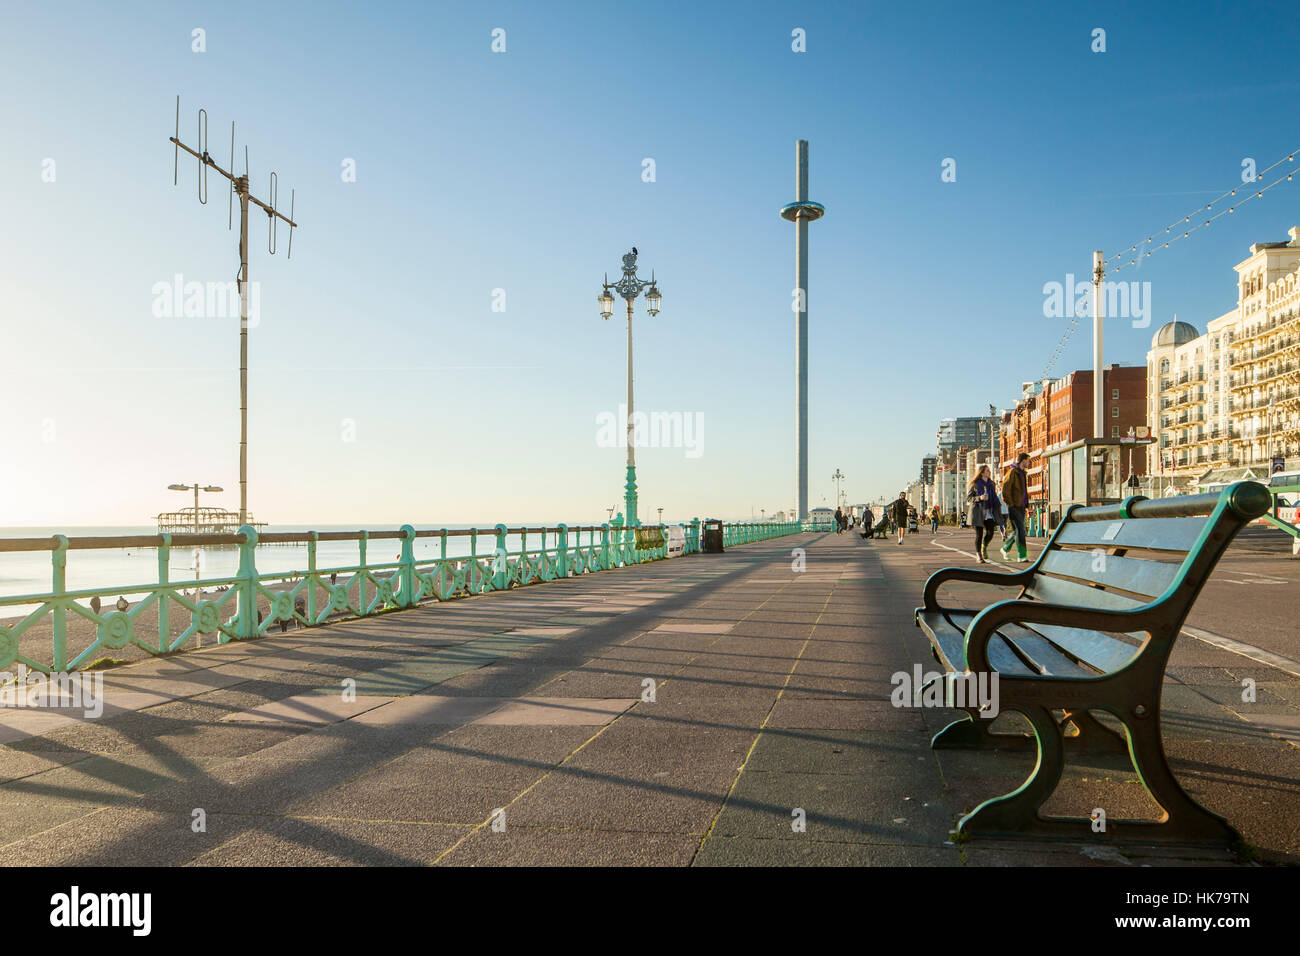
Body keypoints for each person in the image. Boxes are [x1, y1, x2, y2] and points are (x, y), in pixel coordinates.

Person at [966, 465, 1002, 563]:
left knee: (990, 532)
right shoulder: (975, 484)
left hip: (989, 512)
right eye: (987, 470)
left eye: (989, 470)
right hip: (978, 512)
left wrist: (999, 506)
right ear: (982, 473)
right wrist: (979, 498)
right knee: (979, 534)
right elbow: (969, 498)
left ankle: (984, 546)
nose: (989, 472)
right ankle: (979, 555)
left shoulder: (991, 484)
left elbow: (994, 497)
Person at [1000, 451, 1031, 563]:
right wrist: (1010, 503)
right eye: (1028, 460)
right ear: (1023, 460)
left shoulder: (1023, 473)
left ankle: (1005, 548)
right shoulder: (1013, 472)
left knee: (1017, 531)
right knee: (1021, 530)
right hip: (1014, 506)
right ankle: (1022, 555)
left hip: (1021, 507)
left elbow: (1024, 492)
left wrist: (1027, 506)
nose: (1029, 462)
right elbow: (1005, 489)